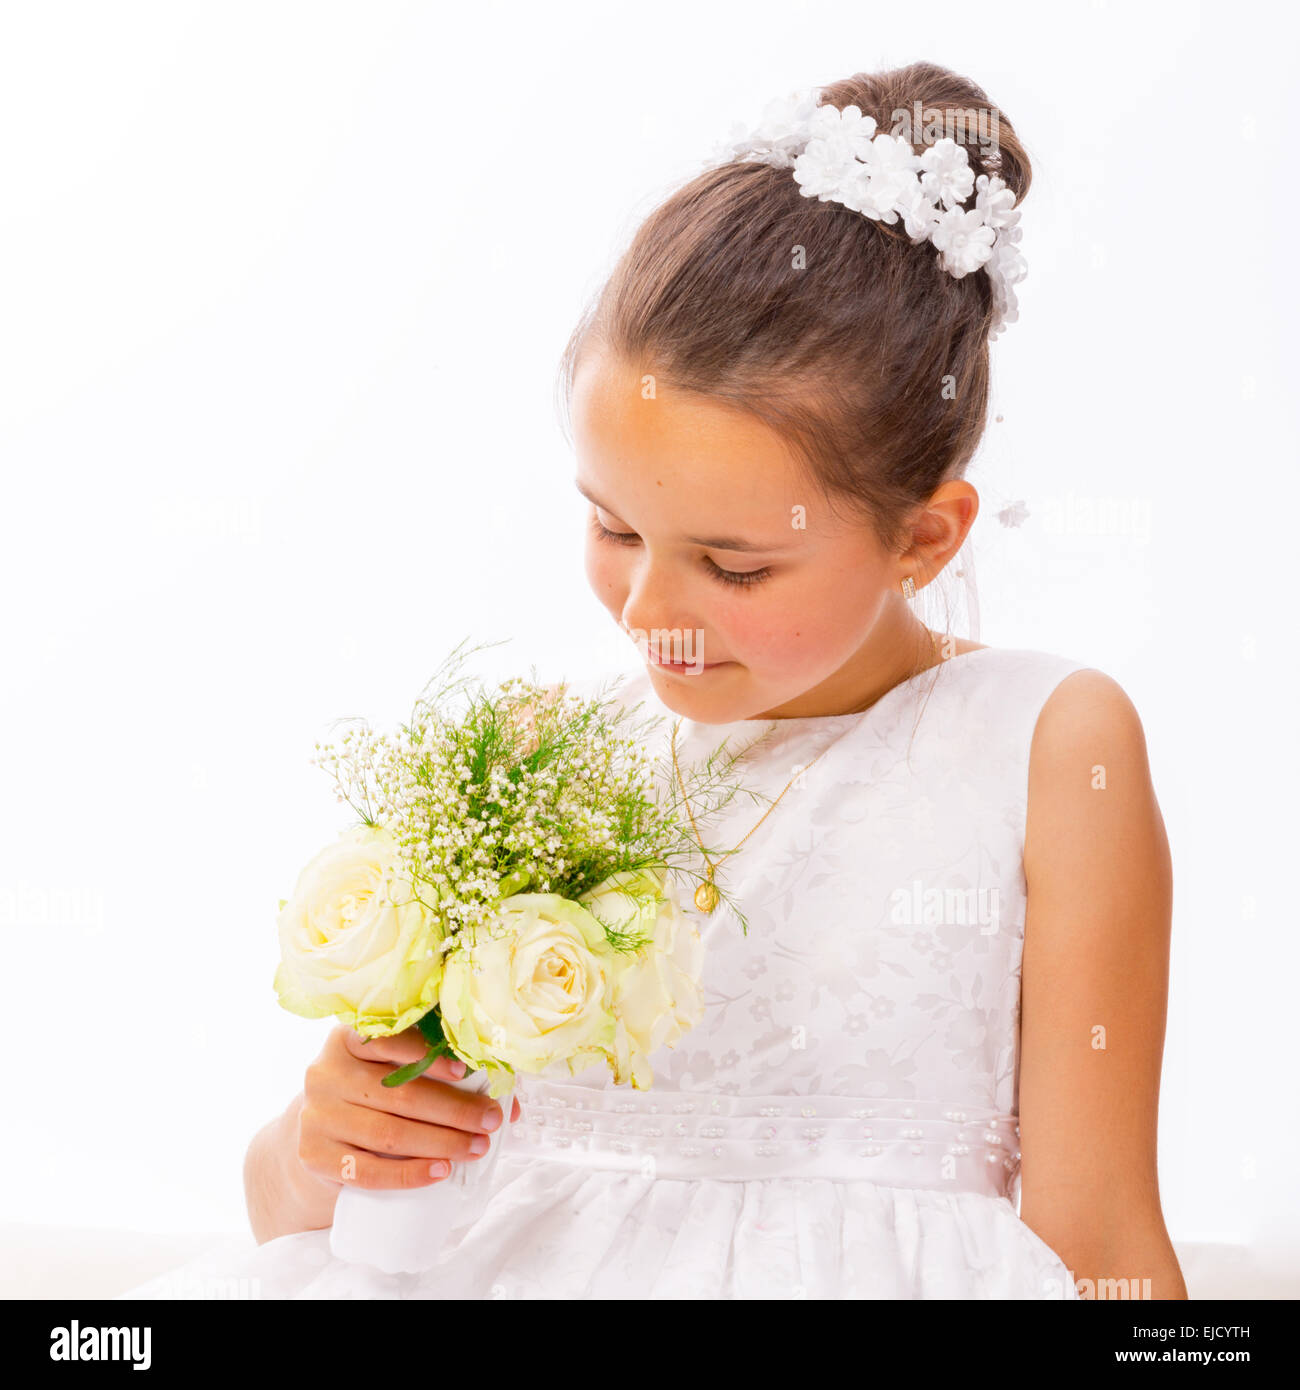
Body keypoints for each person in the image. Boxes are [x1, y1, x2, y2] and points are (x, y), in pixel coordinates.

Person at [121, 61, 1185, 1300]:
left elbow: (1100, 1244)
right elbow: (309, 1213)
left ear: (923, 537)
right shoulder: (549, 751)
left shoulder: (1045, 746)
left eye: (735, 565)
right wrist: (330, 1140)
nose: (648, 613)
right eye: (613, 529)